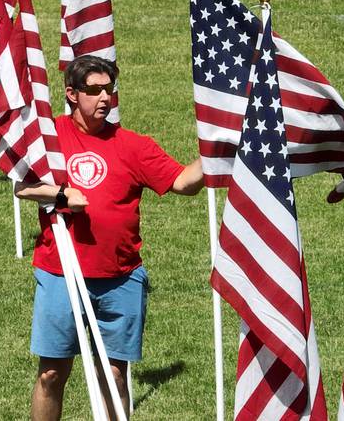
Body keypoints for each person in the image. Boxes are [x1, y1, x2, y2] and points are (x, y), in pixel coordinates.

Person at [15, 55, 205, 421]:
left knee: (115, 376)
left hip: (121, 277)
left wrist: (214, 154)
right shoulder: (49, 137)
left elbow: (183, 183)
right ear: (71, 94)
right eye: (94, 90)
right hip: (61, 275)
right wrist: (60, 194)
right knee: (52, 373)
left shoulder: (132, 145)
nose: (104, 98)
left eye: (109, 90)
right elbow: (21, 186)